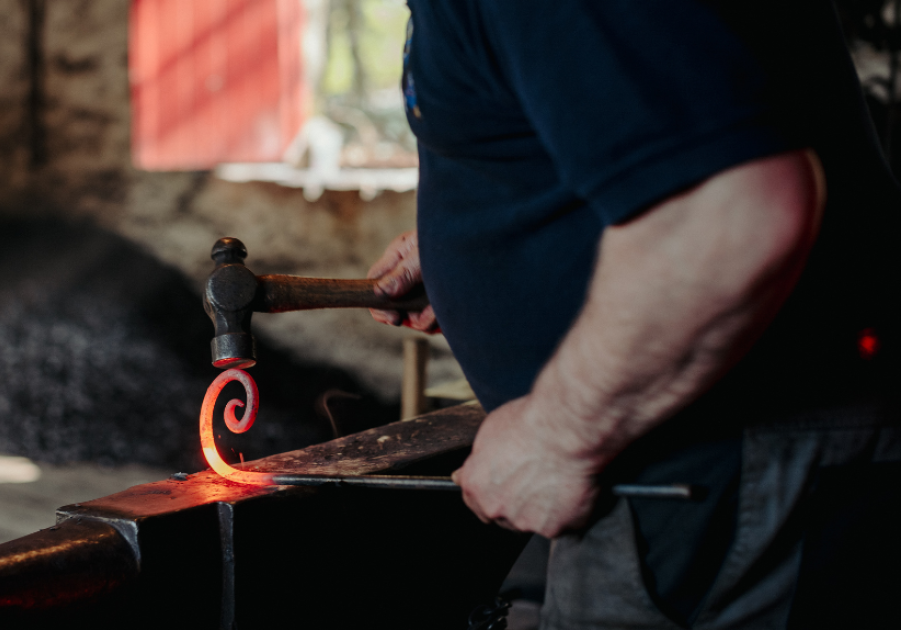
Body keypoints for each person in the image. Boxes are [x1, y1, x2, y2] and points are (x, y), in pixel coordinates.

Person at [367, 2, 901, 628]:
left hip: (724, 472)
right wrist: (501, 237)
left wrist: (557, 434)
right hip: (699, 471)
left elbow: (730, 213)